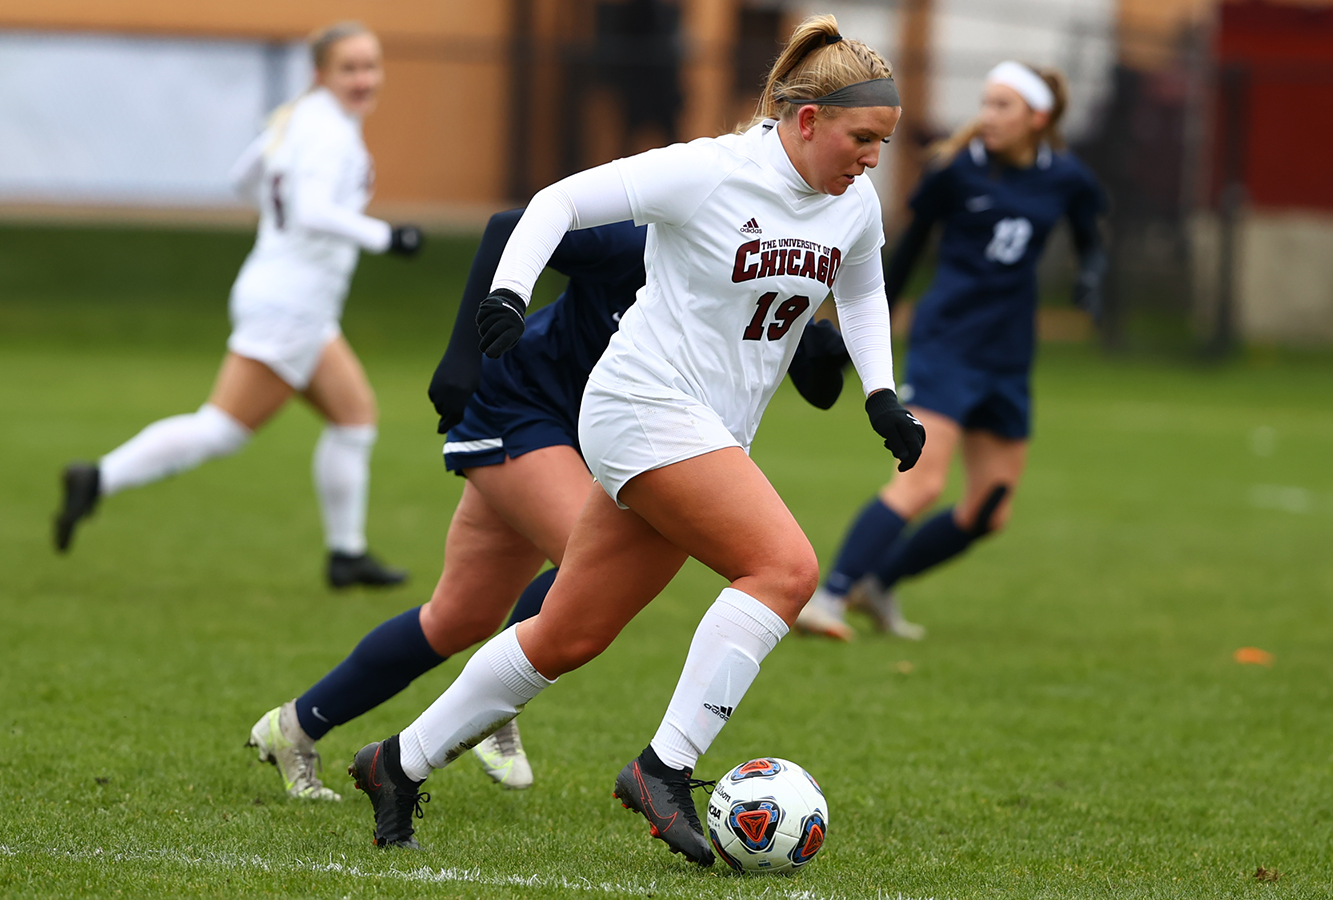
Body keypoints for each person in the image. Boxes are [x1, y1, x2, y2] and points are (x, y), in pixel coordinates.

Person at [343, 15, 923, 863]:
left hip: (706, 428)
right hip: (642, 405)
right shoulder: (709, 172)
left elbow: (865, 292)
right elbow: (555, 204)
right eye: (862, 137)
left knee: (567, 634)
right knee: (787, 570)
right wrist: (506, 296)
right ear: (806, 120)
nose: (873, 158)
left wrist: (881, 395)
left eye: (882, 142)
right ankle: (663, 768)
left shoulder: (853, 201)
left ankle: (396, 762)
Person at [246, 210, 852, 800]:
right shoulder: (650, 229)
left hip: (612, 434)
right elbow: (508, 228)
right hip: (522, 403)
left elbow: (813, 388)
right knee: (586, 573)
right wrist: (463, 354)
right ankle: (493, 697)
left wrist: (829, 351)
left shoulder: (759, 259)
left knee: (458, 617)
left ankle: (293, 727)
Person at [52, 21, 422, 589]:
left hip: (292, 298)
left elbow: (242, 177)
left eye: (371, 66)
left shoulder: (302, 118)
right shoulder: (326, 132)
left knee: (354, 418)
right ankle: (98, 478)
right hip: (290, 305)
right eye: (349, 68)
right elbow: (311, 210)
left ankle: (346, 556)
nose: (364, 79)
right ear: (321, 73)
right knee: (221, 430)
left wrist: (279, 228)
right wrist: (387, 237)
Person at [795, 60, 1108, 641]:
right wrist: (859, 336)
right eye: (985, 103)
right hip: (948, 344)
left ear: (1037, 118)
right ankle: (830, 597)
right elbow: (906, 256)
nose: (985, 116)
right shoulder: (954, 172)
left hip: (1008, 355)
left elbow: (1090, 237)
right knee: (920, 481)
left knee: (990, 510)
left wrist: (1092, 273)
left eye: (1002, 105)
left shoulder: (1066, 178)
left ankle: (878, 584)